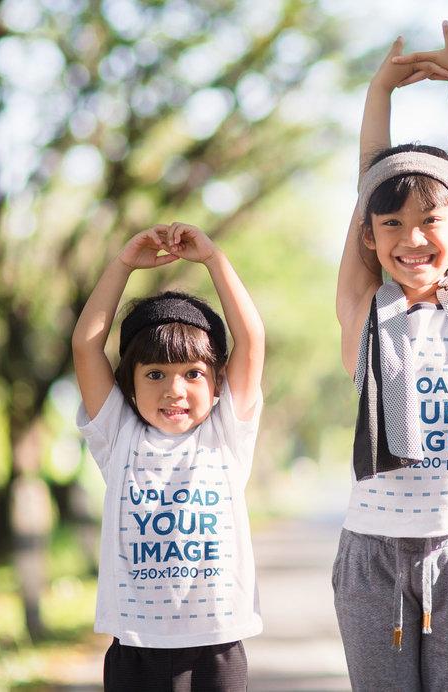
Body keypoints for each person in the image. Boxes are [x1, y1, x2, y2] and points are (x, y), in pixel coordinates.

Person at [333, 21, 448, 692]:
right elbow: (368, 182)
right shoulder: (364, 316)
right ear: (370, 239)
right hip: (372, 556)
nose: (412, 236)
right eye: (392, 225)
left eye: (431, 220)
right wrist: (379, 89)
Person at [72, 221, 265, 691]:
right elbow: (85, 344)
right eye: (155, 374)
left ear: (216, 381)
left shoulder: (226, 433)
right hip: (136, 648)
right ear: (129, 383)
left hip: (216, 646)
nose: (174, 390)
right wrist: (122, 265)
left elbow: (252, 339)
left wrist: (214, 260)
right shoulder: (118, 436)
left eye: (193, 374)